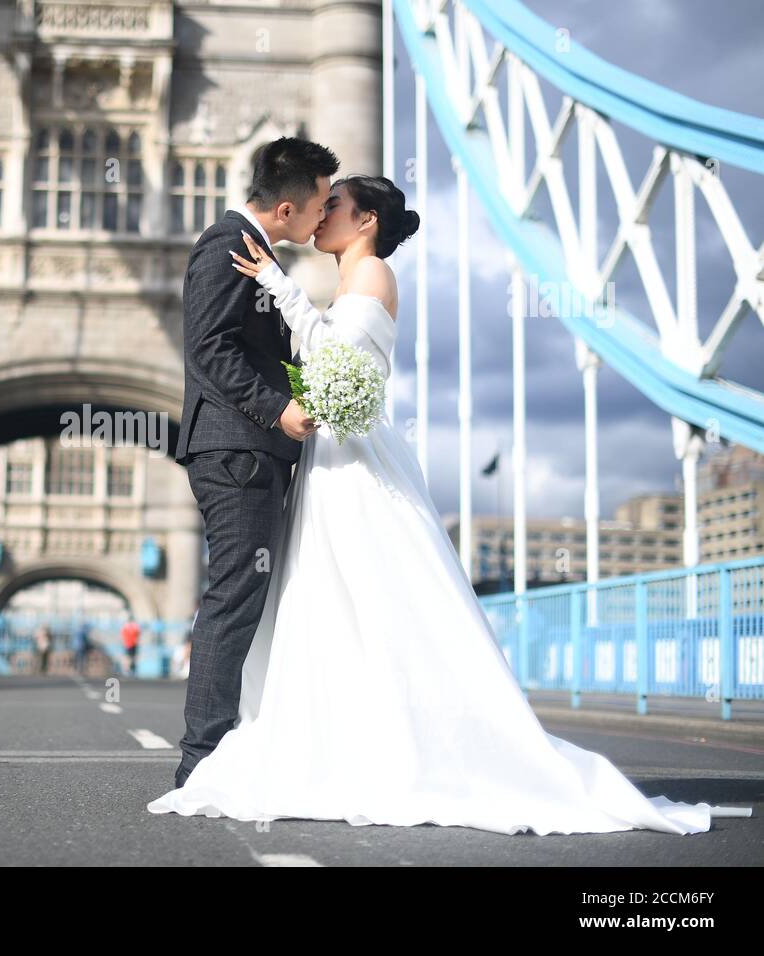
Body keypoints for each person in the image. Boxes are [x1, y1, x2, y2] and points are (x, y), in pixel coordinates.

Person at [148, 174, 753, 835]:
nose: (322, 218)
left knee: (380, 600)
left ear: (367, 221)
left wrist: (279, 287)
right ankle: (342, 741)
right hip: (330, 460)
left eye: (336, 208)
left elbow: (338, 369)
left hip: (358, 463)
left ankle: (406, 750)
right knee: (323, 603)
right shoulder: (352, 280)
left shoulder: (374, 275)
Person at [170, 137, 337, 789]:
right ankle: (201, 758)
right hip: (236, 448)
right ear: (290, 206)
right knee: (234, 596)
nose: (324, 218)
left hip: (253, 447)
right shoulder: (226, 245)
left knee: (247, 596)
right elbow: (208, 350)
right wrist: (277, 409)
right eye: (321, 205)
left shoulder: (259, 252)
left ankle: (227, 744)